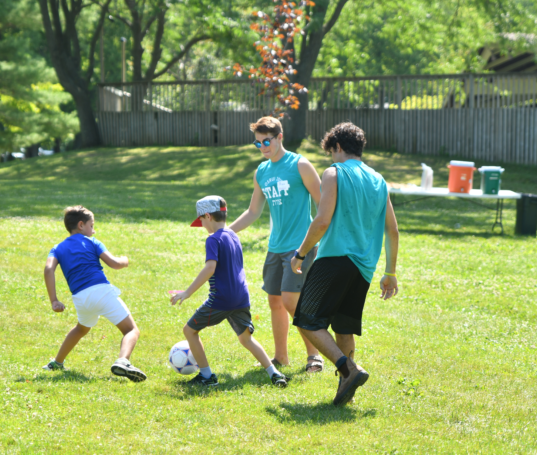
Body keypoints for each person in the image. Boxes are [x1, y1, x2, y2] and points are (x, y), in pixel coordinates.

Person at [289, 122, 400, 406]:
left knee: (307, 320)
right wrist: (390, 272)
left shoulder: (334, 173)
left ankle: (348, 369)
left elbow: (322, 221)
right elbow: (392, 230)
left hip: (335, 259)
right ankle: (346, 391)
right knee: (343, 328)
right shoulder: (379, 180)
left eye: (332, 152)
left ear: (337, 147)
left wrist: (300, 253)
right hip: (364, 268)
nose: (332, 158)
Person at [229, 116, 325, 374]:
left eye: (266, 141)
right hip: (275, 246)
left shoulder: (300, 165)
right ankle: (281, 357)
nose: (262, 147)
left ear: (280, 137)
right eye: (258, 143)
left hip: (300, 246)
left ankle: (314, 355)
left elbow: (323, 204)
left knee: (292, 302)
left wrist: (320, 239)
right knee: (275, 302)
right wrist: (226, 232)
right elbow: (253, 211)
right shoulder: (262, 171)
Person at [170, 195, 289, 388]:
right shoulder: (234, 235)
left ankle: (207, 376)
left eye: (201, 220)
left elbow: (210, 268)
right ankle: (274, 373)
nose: (202, 225)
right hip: (241, 298)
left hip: (221, 299)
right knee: (246, 339)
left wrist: (187, 292)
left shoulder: (212, 239)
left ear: (208, 216)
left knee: (189, 331)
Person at [42, 205, 146, 382]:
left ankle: (57, 362)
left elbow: (48, 269)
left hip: (80, 298)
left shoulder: (57, 248)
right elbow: (114, 263)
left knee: (81, 328)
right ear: (81, 225)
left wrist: (54, 300)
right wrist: (124, 260)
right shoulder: (92, 242)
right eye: (92, 226)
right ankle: (123, 361)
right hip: (101, 291)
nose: (94, 230)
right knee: (131, 330)